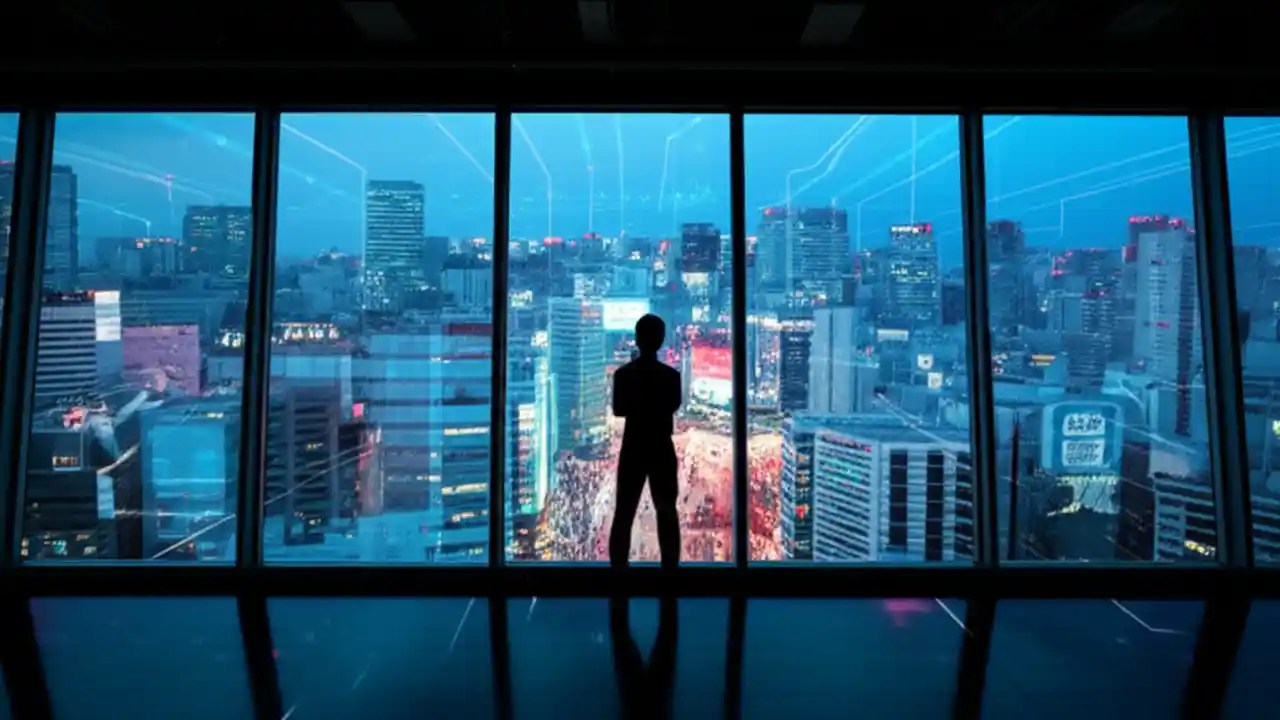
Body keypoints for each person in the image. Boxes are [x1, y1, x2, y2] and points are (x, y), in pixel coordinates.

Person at [610, 313, 682, 571]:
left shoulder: (623, 375)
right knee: (667, 511)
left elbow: (619, 410)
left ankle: (618, 572)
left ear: (637, 339)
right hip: (661, 446)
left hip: (633, 447)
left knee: (624, 513)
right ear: (662, 340)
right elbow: (673, 405)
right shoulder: (671, 377)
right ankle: (670, 571)